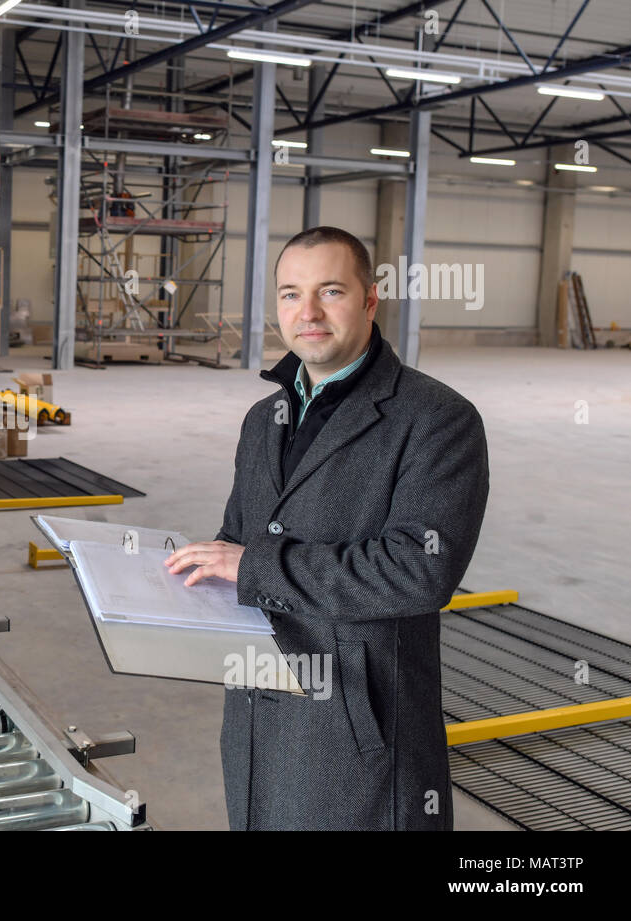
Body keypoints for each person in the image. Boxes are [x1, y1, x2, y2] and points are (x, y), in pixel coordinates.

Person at [164, 226, 490, 830]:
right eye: (290, 294)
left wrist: (254, 568)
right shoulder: (265, 418)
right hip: (259, 715)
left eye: (330, 291)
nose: (307, 312)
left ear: (370, 301)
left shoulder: (436, 419)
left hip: (357, 731)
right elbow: (235, 541)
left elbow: (420, 570)